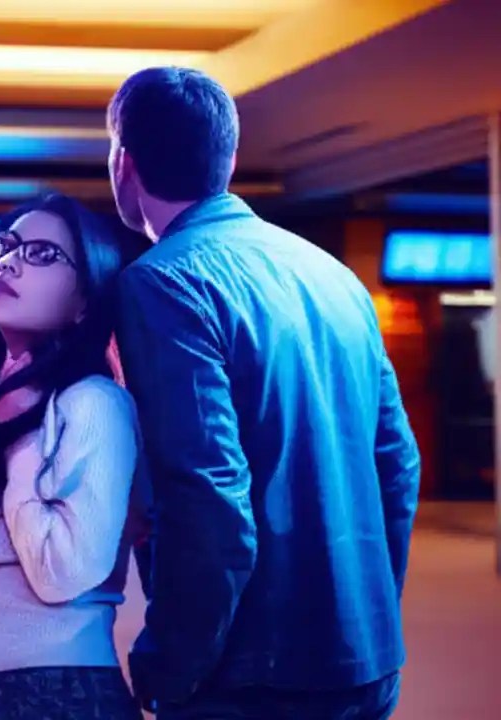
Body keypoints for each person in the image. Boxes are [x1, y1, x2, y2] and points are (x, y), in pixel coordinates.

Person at [107, 66, 421, 719]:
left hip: (251, 679)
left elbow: (210, 499)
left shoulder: (164, 282)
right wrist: (370, 614)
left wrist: (169, 662)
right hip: (366, 661)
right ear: (230, 159)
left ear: (124, 163)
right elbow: (398, 465)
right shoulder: (335, 278)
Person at [0, 193, 149, 720]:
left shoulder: (94, 403)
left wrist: (18, 441)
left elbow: (61, 574)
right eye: (3, 247)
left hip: (58, 693)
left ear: (84, 300)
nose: (8, 261)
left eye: (42, 254)